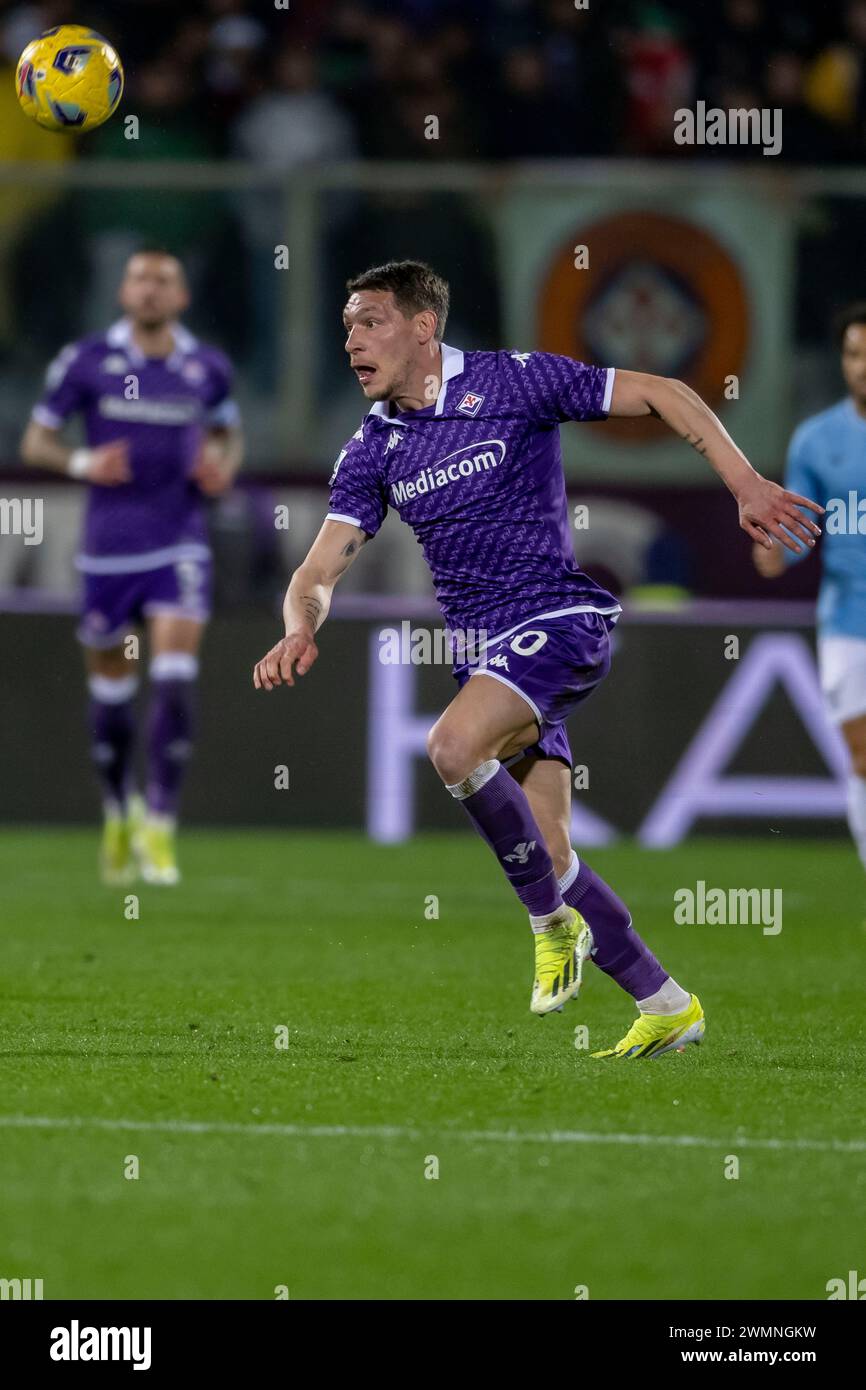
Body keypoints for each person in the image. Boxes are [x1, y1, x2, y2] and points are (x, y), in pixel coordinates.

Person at [254, 260, 821, 1058]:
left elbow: (664, 391)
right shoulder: (374, 448)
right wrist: (299, 627)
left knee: (452, 746)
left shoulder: (513, 381)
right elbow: (317, 571)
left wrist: (744, 484)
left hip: (557, 618)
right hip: (487, 657)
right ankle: (667, 1004)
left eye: (370, 320)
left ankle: (548, 924)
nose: (351, 340)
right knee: (549, 852)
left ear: (424, 327)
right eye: (346, 325)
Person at [22, 249, 243, 885]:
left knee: (173, 673)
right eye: (140, 279)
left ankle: (162, 826)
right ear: (123, 292)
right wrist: (84, 464)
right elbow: (36, 440)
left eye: (164, 281)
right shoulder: (87, 360)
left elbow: (228, 432)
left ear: (182, 298)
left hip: (179, 542)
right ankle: (120, 807)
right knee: (113, 693)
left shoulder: (206, 367)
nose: (150, 290)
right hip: (108, 550)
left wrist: (220, 466)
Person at [754, 301, 866, 873]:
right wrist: (779, 549)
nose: (863, 365)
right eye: (853, 353)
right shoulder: (817, 440)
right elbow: (803, 526)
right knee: (861, 757)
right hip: (850, 624)